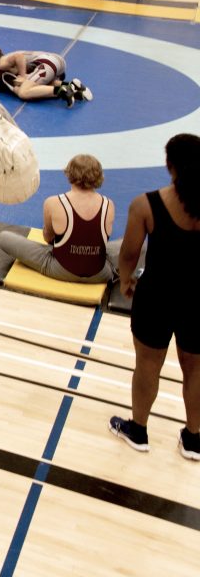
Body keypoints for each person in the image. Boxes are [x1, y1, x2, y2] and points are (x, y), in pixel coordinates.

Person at [110, 133, 200, 459]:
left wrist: (125, 282)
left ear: (169, 165)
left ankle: (138, 430)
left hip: (157, 296)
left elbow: (129, 254)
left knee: (147, 365)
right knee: (196, 369)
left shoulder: (146, 204)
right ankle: (193, 438)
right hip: (198, 300)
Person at [0, 154, 115, 283]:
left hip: (60, 270)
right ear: (98, 176)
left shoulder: (54, 202)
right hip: (100, 273)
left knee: (4, 238)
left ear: (69, 174)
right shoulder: (108, 204)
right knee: (134, 247)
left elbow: (48, 238)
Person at [0, 45, 90, 106]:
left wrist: (23, 76)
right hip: (57, 61)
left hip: (47, 63)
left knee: (24, 92)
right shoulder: (9, 63)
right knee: (35, 83)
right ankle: (72, 85)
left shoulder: (3, 63)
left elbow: (19, 56)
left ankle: (61, 90)